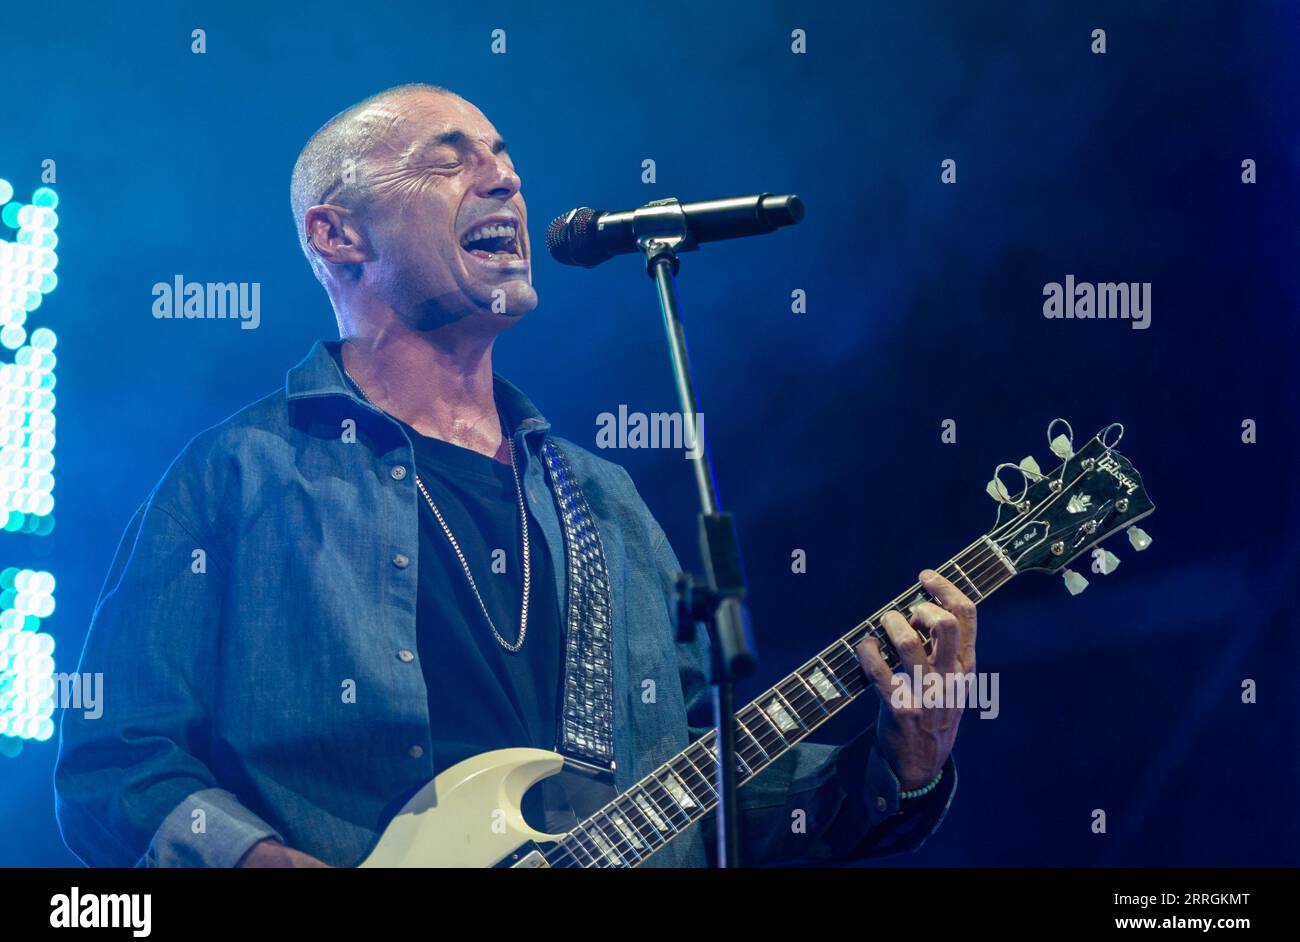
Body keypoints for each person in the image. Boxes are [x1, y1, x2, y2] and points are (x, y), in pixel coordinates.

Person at [54, 84, 974, 868]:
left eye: (504, 158)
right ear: (336, 234)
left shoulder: (604, 501)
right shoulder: (238, 477)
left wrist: (905, 758)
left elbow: (707, 792)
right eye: (449, 159)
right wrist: (261, 860)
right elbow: (118, 761)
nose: (505, 178)